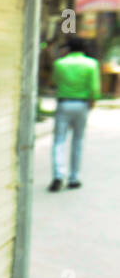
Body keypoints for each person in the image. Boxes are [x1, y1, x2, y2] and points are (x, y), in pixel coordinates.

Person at [49, 35, 101, 191]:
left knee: (59, 140)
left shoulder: (60, 63)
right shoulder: (91, 64)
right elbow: (95, 89)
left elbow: (54, 82)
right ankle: (74, 178)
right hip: (82, 104)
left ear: (68, 48)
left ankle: (58, 175)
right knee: (78, 141)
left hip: (64, 103)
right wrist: (92, 101)